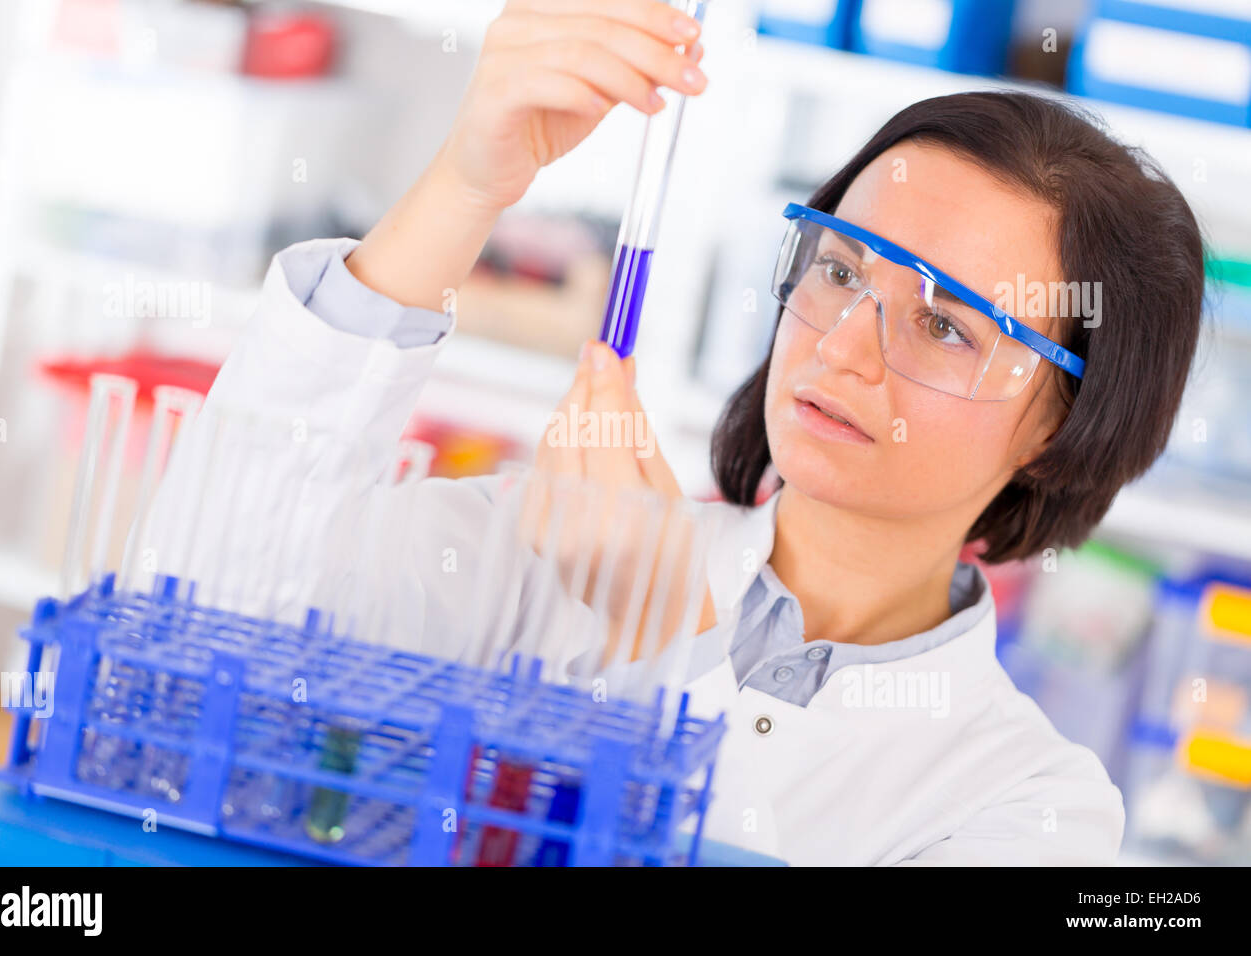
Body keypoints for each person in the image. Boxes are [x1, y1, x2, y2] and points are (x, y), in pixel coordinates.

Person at [164, 0, 1205, 864]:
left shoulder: (1029, 807)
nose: (842, 346)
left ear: (1061, 425)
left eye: (943, 325)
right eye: (840, 270)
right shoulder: (548, 543)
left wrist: (664, 639)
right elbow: (195, 619)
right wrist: (468, 182)